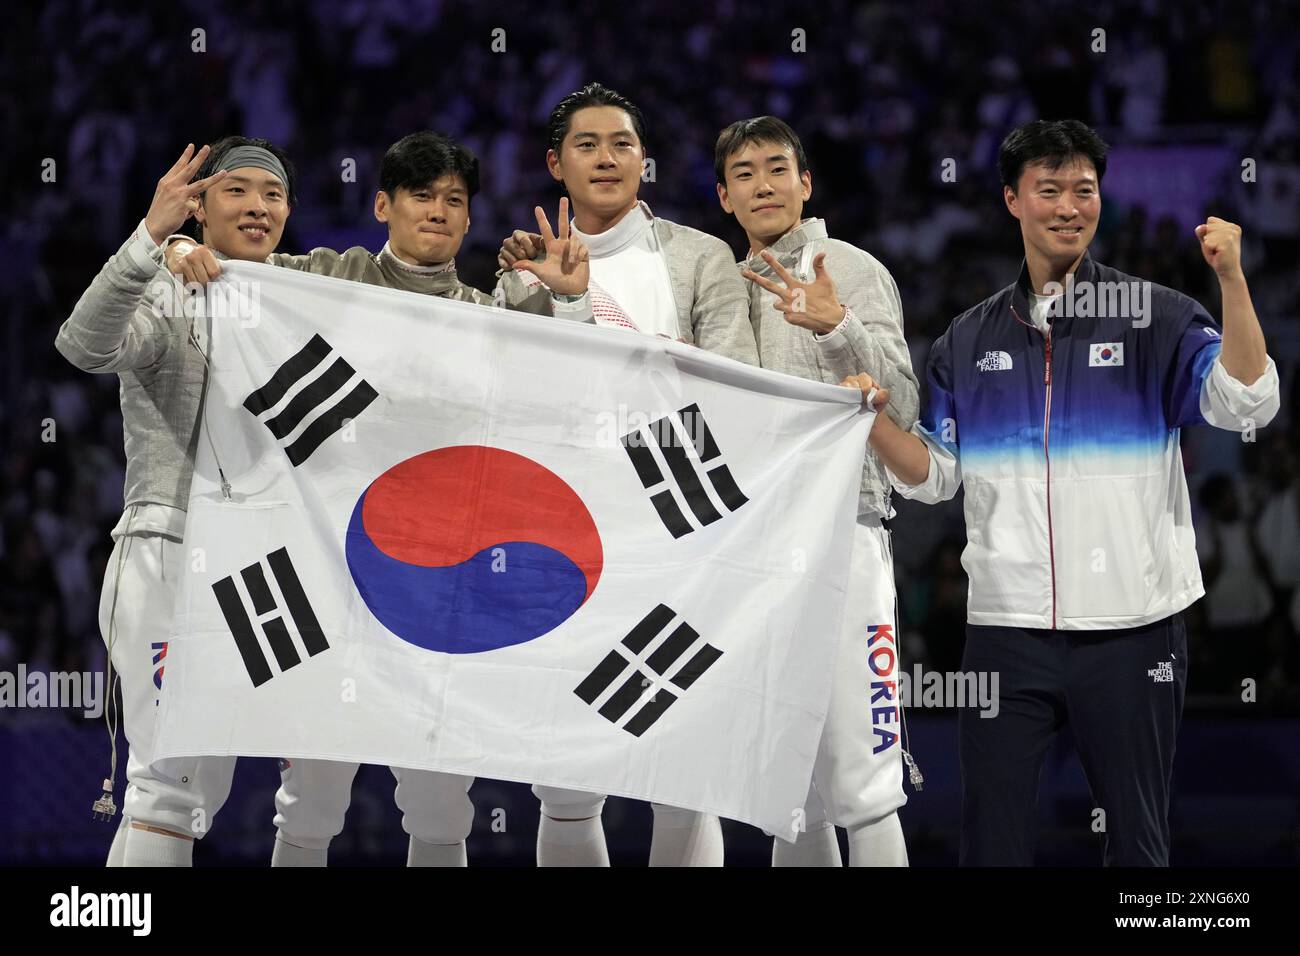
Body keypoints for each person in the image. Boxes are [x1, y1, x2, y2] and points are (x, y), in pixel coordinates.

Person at [845, 119, 1280, 865]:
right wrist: (874, 420)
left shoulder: (1159, 316)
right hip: (1006, 633)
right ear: (1013, 199)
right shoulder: (966, 340)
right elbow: (935, 477)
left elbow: (1248, 402)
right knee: (995, 847)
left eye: (1085, 190)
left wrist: (1232, 281)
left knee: (1139, 849)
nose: (1070, 206)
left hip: (1134, 631)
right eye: (1049, 190)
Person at [166, 131, 607, 867]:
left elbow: (575, 398)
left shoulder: (488, 315)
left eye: (454, 201)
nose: (437, 211)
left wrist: (573, 306)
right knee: (311, 803)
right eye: (420, 196)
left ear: (469, 222)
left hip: (438, 588)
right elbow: (237, 272)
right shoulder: (324, 277)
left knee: (439, 807)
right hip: (326, 576)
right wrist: (176, 252)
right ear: (383, 205)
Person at [497, 82, 759, 867]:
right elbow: (519, 409)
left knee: (682, 765)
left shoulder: (701, 256)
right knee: (567, 774)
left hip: (679, 535)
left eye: (622, 144)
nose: (607, 158)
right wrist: (558, 301)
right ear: (555, 163)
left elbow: (736, 386)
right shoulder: (521, 275)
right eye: (587, 144)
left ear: (646, 162)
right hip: (569, 536)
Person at [55, 137, 297, 866]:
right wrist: (151, 240)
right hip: (169, 551)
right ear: (199, 203)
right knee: (169, 779)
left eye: (274, 194)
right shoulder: (169, 288)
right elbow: (82, 346)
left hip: (258, 567)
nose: (258, 206)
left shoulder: (297, 298)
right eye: (237, 190)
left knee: (187, 794)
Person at [715, 115, 918, 866]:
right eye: (745, 173)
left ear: (806, 182)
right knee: (788, 789)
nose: (763, 184)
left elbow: (904, 404)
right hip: (762, 551)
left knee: (865, 782)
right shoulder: (722, 283)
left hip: (846, 537)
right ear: (724, 196)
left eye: (777, 168)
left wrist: (838, 328)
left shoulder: (852, 269)